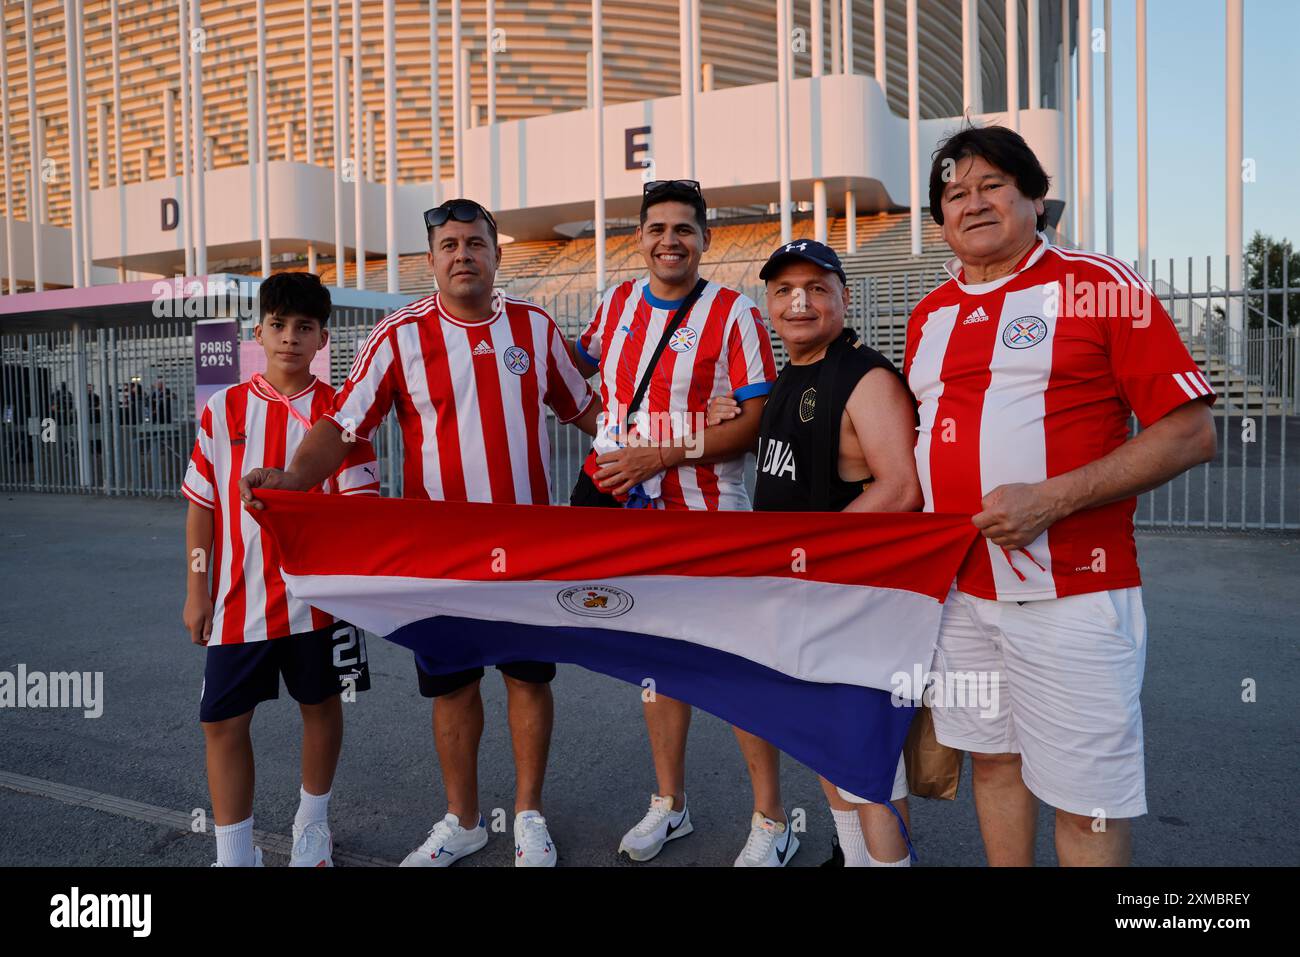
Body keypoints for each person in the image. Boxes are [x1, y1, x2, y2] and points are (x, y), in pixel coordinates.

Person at [239, 198, 600, 868]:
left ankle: (528, 816)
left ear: (496, 253)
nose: (464, 254)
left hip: (527, 548)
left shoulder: (535, 327)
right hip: (442, 557)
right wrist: (294, 479)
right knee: (454, 686)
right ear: (431, 260)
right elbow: (345, 424)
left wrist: (659, 451)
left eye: (475, 243)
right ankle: (463, 819)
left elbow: (586, 411)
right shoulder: (398, 336)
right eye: (450, 245)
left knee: (527, 678)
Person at [906, 125, 1217, 865]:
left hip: (1073, 593)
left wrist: (1053, 498)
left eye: (991, 185)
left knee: (1088, 803)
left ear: (1034, 197)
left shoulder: (1099, 282)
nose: (973, 202)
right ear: (939, 218)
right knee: (994, 763)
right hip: (959, 598)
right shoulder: (928, 315)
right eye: (955, 192)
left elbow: (1191, 432)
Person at [567, 180, 787, 866]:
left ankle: (772, 819)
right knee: (658, 668)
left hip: (709, 515)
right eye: (657, 227)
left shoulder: (735, 314)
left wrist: (662, 450)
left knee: (734, 665)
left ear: (706, 239)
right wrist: (608, 441)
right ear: (640, 237)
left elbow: (755, 423)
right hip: (633, 518)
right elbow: (575, 371)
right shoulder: (616, 305)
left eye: (684, 229)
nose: (670, 240)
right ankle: (670, 803)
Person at [709, 239, 923, 867]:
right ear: (769, 305)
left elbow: (901, 488)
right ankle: (853, 859)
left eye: (816, 288)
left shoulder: (867, 377)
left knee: (864, 761)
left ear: (843, 298)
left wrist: (811, 556)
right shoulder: (789, 377)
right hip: (803, 592)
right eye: (783, 290)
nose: (799, 301)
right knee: (829, 748)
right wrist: (731, 413)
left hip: (850, 593)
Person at [182, 271, 381, 867]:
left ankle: (311, 826)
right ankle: (235, 853)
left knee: (321, 708)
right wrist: (197, 587)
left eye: (304, 327)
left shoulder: (342, 415)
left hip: (318, 602)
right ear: (258, 332)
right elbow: (202, 506)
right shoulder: (225, 408)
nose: (289, 337)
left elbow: (360, 509)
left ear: (323, 338)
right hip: (237, 602)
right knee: (220, 721)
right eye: (278, 325)